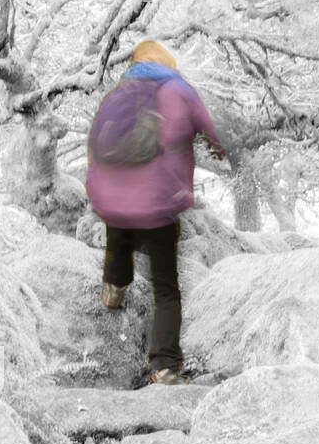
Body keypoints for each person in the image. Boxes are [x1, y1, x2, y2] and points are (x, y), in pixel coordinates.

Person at [86, 40, 224, 385]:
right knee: (166, 288)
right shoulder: (179, 89)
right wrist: (222, 153)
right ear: (169, 64)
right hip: (159, 206)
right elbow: (214, 135)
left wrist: (99, 192)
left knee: (119, 228)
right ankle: (165, 366)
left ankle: (115, 286)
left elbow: (94, 147)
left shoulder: (118, 92)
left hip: (115, 201)